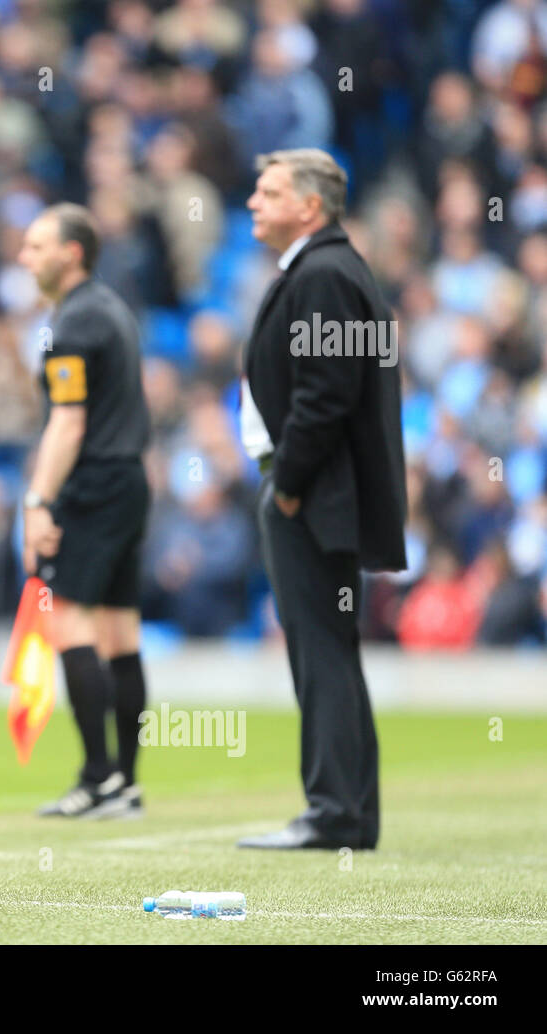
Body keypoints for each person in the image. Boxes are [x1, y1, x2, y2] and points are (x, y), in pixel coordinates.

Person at [237, 149, 406, 850]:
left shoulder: (326, 272)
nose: (252, 201)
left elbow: (326, 392)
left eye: (269, 191)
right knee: (328, 650)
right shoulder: (325, 268)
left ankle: (335, 813)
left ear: (310, 206)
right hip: (316, 492)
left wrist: (290, 487)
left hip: (314, 495)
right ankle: (347, 812)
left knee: (322, 651)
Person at [16, 203, 152, 820]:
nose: (25, 257)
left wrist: (38, 501)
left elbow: (68, 422)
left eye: (37, 246)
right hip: (128, 479)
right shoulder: (112, 309)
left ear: (72, 253)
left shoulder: (73, 325)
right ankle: (125, 781)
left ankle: (95, 778)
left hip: (93, 486)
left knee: (68, 625)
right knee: (120, 632)